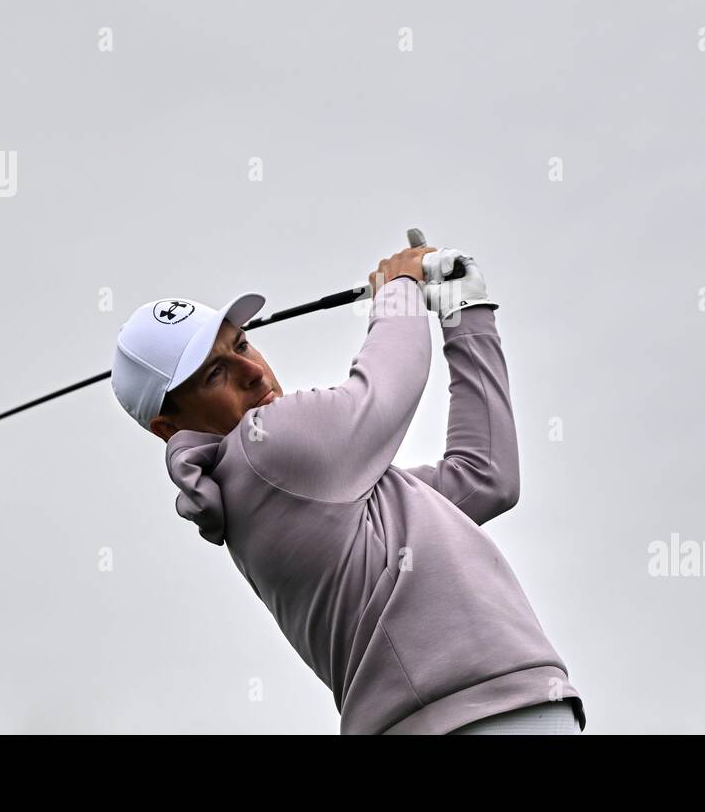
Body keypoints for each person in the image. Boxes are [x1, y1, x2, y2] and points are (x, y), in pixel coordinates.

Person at [110, 243, 586, 735]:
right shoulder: (264, 449)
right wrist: (399, 289)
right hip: (471, 718)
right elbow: (385, 391)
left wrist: (467, 314)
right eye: (215, 373)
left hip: (500, 711)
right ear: (168, 427)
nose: (252, 374)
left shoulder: (303, 486)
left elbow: (486, 478)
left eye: (242, 345)